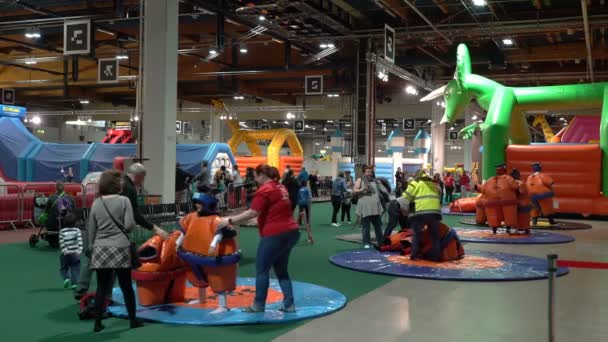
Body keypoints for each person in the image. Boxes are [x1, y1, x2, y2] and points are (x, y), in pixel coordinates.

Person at [217, 165, 300, 313]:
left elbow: (252, 212)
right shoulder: (280, 188)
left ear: (262, 175)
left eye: (256, 176)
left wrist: (230, 220)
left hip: (275, 234)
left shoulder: (264, 190)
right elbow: (277, 210)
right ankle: (289, 304)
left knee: (262, 269)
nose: (254, 179)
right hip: (291, 232)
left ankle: (258, 305)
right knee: (281, 270)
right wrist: (260, 220)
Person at [88, 170, 148, 332]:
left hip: (101, 248)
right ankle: (133, 320)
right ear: (115, 184)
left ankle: (98, 322)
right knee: (126, 285)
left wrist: (92, 246)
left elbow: (91, 230)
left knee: (102, 286)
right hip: (120, 247)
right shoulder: (124, 201)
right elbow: (129, 225)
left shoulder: (96, 203)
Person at [176, 191, 239, 314]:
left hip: (211, 256)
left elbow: (219, 233)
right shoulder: (191, 217)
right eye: (196, 203)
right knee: (198, 277)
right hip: (194, 253)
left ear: (207, 204)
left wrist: (213, 245)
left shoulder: (215, 220)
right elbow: (184, 231)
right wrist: (178, 242)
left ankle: (223, 306)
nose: (197, 206)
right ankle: (201, 299)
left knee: (217, 279)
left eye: (199, 203)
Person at [121, 163, 169, 239]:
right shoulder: (129, 188)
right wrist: (155, 229)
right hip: (119, 230)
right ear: (139, 176)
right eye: (143, 178)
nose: (142, 181)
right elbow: (134, 214)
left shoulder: (121, 182)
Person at [403, 170, 442, 261]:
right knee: (435, 236)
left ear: (416, 176)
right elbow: (439, 194)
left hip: (421, 211)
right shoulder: (433, 184)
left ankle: (414, 255)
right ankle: (435, 257)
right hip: (435, 212)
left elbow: (406, 197)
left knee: (417, 234)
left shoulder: (415, 182)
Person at [353, 165, 385, 248]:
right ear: (364, 172)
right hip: (365, 208)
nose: (369, 173)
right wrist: (363, 190)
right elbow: (354, 191)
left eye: (370, 172)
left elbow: (381, 191)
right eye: (367, 172)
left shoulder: (375, 180)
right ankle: (366, 242)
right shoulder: (360, 180)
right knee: (366, 227)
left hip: (376, 208)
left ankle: (380, 242)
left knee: (378, 226)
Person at [481, 164, 519, 234]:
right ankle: (508, 228)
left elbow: (483, 190)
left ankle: (494, 230)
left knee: (493, 215)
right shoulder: (508, 178)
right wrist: (517, 180)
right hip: (507, 200)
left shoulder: (490, 179)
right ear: (504, 170)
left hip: (492, 201)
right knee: (509, 214)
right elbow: (515, 186)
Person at [44, 181, 75, 247]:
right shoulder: (71, 197)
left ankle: (52, 239)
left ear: (56, 188)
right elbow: (74, 210)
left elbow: (46, 211)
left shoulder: (51, 197)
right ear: (64, 188)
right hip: (67, 222)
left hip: (53, 223)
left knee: (46, 217)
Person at [59, 212, 82, 289]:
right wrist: (79, 250)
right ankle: (74, 283)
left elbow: (61, 242)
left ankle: (66, 278)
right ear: (75, 222)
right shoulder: (77, 230)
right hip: (75, 253)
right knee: (75, 268)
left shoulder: (62, 231)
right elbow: (79, 240)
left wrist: (64, 250)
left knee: (63, 267)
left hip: (65, 254)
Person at [511, 169, 531, 233]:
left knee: (522, 217)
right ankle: (524, 228)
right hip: (524, 203)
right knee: (523, 217)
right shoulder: (521, 182)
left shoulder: (519, 183)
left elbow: (522, 191)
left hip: (522, 203)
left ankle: (523, 228)